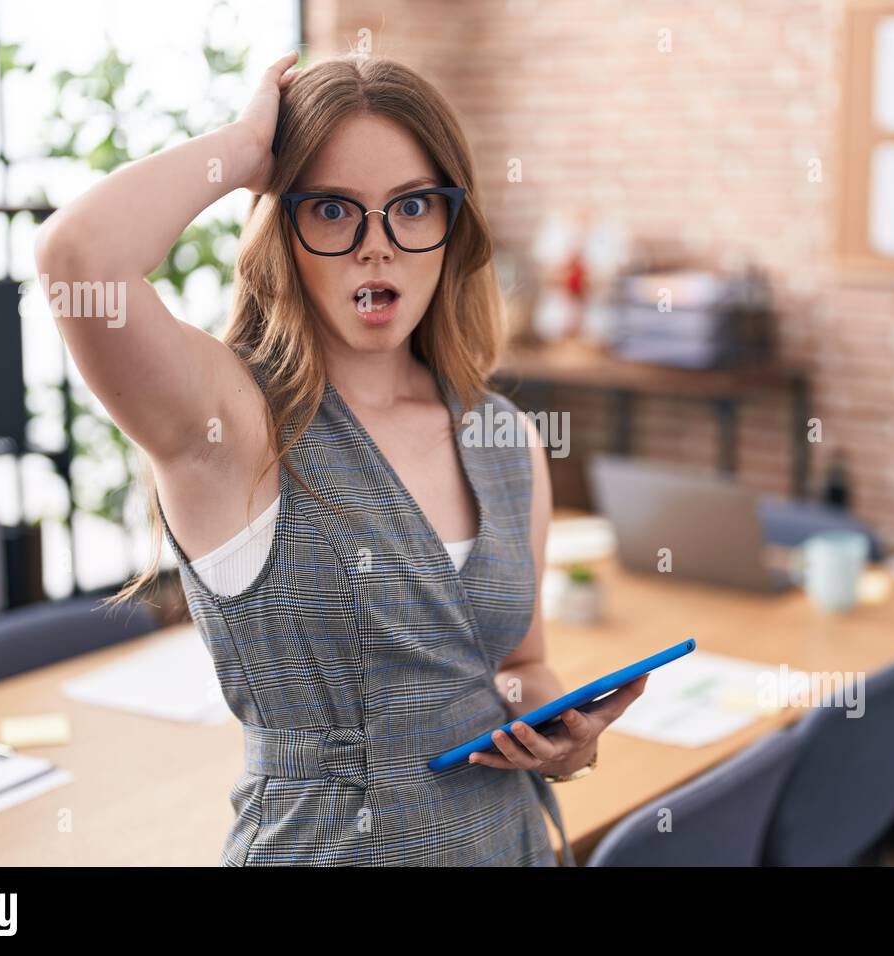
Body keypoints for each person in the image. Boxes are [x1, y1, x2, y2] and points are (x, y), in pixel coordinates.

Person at [33, 50, 648, 866]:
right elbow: (78, 259)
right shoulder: (233, 424)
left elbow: (518, 663)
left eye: (413, 207)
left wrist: (560, 733)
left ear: (451, 225)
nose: (377, 247)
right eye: (332, 210)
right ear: (282, 224)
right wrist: (249, 150)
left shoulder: (503, 436)